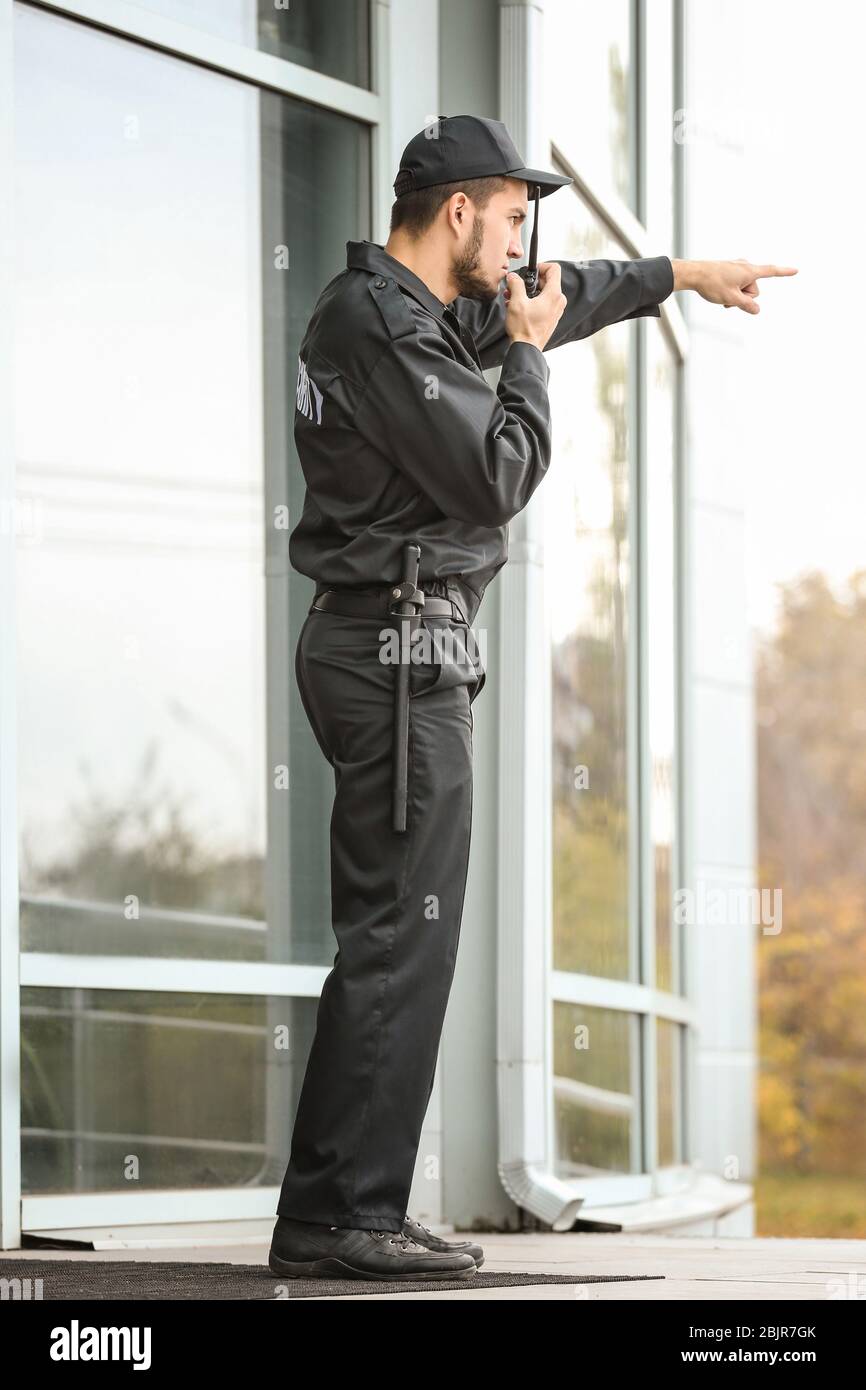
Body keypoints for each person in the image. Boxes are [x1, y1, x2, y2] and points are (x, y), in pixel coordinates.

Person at [268, 114, 797, 1284]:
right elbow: (494, 471)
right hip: (390, 652)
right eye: (513, 215)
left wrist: (677, 277)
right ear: (456, 212)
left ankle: (349, 1202)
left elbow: (564, 293)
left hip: (406, 648)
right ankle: (337, 1213)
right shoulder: (373, 325)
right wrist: (526, 356)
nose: (524, 242)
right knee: (397, 942)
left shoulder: (424, 311)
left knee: (404, 938)